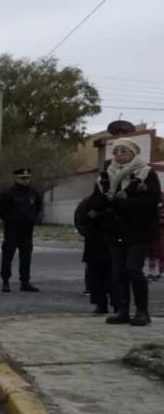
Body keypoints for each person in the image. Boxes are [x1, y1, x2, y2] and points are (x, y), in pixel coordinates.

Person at [90, 139, 161, 326]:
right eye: (116, 152)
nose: (119, 154)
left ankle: (142, 312)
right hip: (115, 229)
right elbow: (96, 203)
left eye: (124, 151)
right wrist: (106, 199)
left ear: (133, 153)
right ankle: (122, 310)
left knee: (133, 270)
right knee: (119, 271)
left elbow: (152, 200)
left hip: (139, 230)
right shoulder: (106, 176)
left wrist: (120, 202)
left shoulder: (146, 173)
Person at [0, 168, 44, 292]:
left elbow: (38, 207)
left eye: (27, 178)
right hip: (12, 229)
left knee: (26, 256)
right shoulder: (8, 193)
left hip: (27, 230)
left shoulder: (34, 193)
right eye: (22, 178)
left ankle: (25, 281)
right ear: (16, 178)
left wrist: (32, 218)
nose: (25, 180)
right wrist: (9, 219)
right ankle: (5, 281)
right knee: (8, 255)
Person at [75, 190, 112, 314]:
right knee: (94, 276)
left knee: (113, 276)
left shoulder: (115, 200)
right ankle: (100, 304)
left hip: (112, 242)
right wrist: (87, 233)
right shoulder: (89, 201)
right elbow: (79, 218)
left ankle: (118, 305)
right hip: (94, 242)